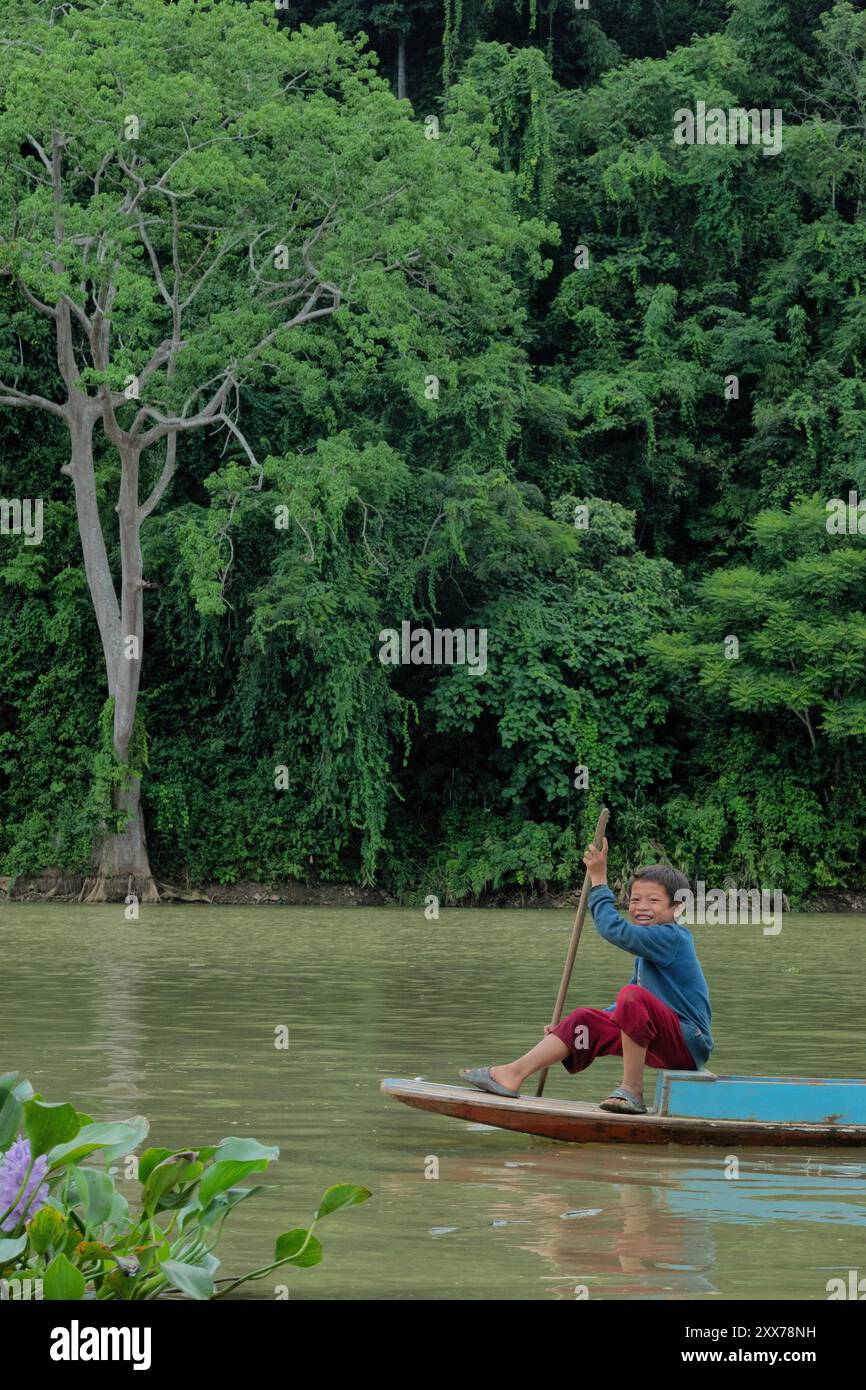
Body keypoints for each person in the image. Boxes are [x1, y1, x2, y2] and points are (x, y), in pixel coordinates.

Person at [460, 836, 714, 1114]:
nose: (641, 907)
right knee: (584, 1021)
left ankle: (631, 1091)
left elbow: (613, 929)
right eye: (636, 899)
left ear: (677, 908)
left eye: (653, 900)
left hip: (688, 1043)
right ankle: (512, 1074)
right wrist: (566, 1029)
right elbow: (625, 1008)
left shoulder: (671, 937)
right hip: (658, 1040)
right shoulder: (650, 946)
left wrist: (599, 880)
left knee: (632, 996)